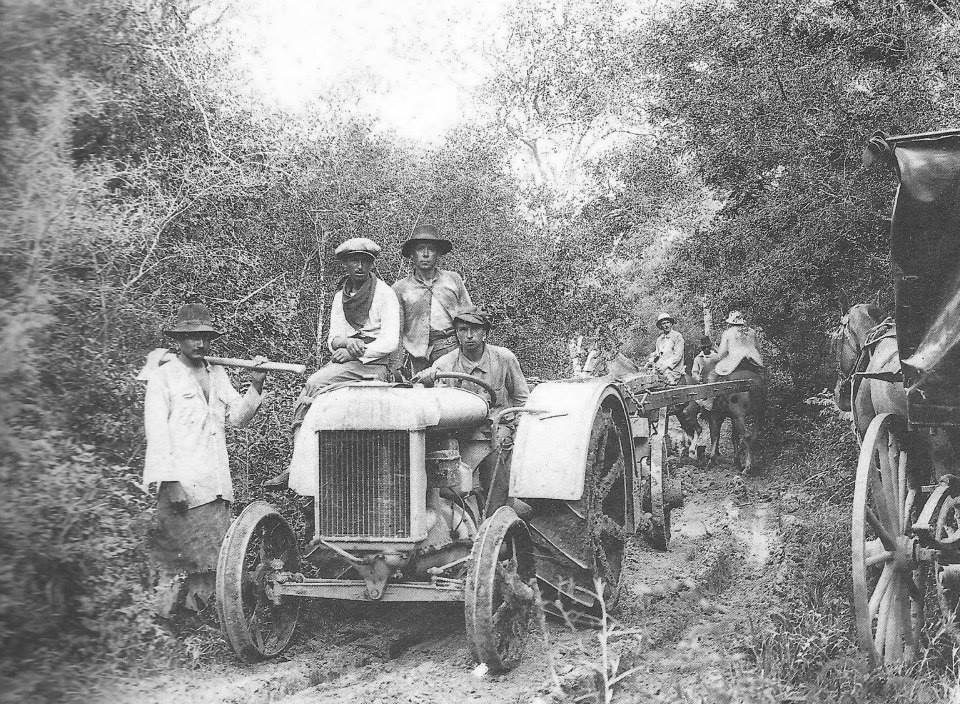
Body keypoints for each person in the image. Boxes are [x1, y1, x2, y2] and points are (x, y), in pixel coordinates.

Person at [141, 303, 267, 617]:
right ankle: (162, 627)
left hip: (215, 483)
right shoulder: (164, 377)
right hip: (183, 485)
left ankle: (197, 622)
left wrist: (256, 384)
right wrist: (170, 483)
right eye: (192, 337)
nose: (199, 344)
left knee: (212, 562)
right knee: (177, 560)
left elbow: (237, 418)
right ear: (179, 340)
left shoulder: (217, 372)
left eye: (204, 337)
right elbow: (157, 434)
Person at [415, 305, 529, 514]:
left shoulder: (504, 358)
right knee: (444, 473)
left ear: (485, 332)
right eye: (462, 330)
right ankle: (456, 516)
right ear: (456, 334)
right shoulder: (444, 364)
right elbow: (439, 406)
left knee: (496, 467)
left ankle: (498, 517)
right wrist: (427, 382)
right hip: (462, 433)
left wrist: (518, 431)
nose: (468, 336)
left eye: (474, 329)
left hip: (498, 428)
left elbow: (522, 399)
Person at [290, 237, 401, 436]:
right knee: (313, 388)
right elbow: (333, 339)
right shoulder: (340, 297)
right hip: (345, 362)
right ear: (345, 264)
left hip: (373, 363)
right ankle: (301, 445)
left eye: (365, 261)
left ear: (371, 264)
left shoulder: (385, 294)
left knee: (316, 383)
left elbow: (390, 341)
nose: (359, 266)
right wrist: (347, 343)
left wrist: (356, 353)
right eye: (354, 260)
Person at [393, 224, 473, 374]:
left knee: (452, 390)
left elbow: (470, 317)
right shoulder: (400, 288)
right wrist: (396, 365)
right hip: (418, 354)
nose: (425, 254)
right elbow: (396, 329)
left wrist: (472, 350)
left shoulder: (453, 279)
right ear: (412, 254)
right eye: (420, 248)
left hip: (451, 348)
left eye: (431, 249)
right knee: (423, 393)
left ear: (438, 253)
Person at [712, 310, 764, 377]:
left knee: (713, 374)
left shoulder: (728, 333)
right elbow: (758, 348)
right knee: (765, 376)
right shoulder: (752, 331)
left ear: (730, 322)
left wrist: (717, 356)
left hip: (735, 360)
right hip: (754, 360)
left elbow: (722, 353)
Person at [648, 312, 685, 385]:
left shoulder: (677, 336)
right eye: (663, 323)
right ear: (661, 326)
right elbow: (658, 355)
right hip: (661, 369)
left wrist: (667, 366)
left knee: (668, 380)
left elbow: (678, 355)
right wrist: (652, 361)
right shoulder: (659, 339)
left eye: (667, 322)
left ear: (671, 324)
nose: (666, 325)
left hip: (673, 369)